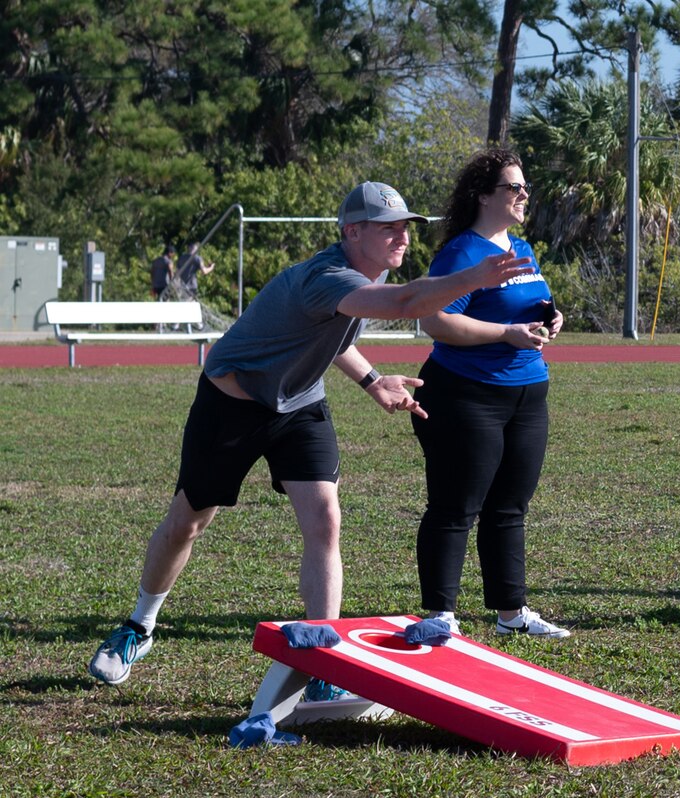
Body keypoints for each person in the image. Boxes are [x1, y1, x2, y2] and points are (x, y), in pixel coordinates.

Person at [88, 181, 534, 696]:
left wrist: (373, 382)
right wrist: (476, 274)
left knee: (325, 519)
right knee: (187, 523)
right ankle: (139, 627)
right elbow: (410, 301)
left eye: (405, 228)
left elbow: (335, 336)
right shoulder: (327, 276)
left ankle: (324, 663)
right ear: (352, 232)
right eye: (388, 228)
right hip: (233, 405)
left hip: (299, 404)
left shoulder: (363, 274)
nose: (402, 238)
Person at [410, 148, 568, 639]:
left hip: (526, 394)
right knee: (456, 506)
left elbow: (525, 302)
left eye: (524, 188)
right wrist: (505, 334)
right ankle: (439, 615)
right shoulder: (462, 252)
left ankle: (511, 613)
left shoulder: (520, 246)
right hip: (465, 395)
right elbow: (435, 320)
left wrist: (550, 316)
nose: (524, 195)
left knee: (510, 508)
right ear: (483, 196)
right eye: (513, 188)